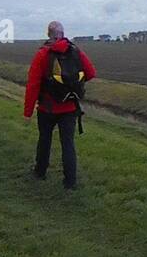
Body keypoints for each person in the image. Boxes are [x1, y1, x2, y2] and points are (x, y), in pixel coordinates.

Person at [20, 20, 96, 187]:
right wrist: (73, 83)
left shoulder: (42, 54)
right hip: (69, 107)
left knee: (44, 139)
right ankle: (70, 182)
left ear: (48, 34)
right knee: (68, 143)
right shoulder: (75, 51)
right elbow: (91, 73)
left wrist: (28, 112)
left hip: (47, 107)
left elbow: (33, 85)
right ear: (62, 34)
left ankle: (40, 172)